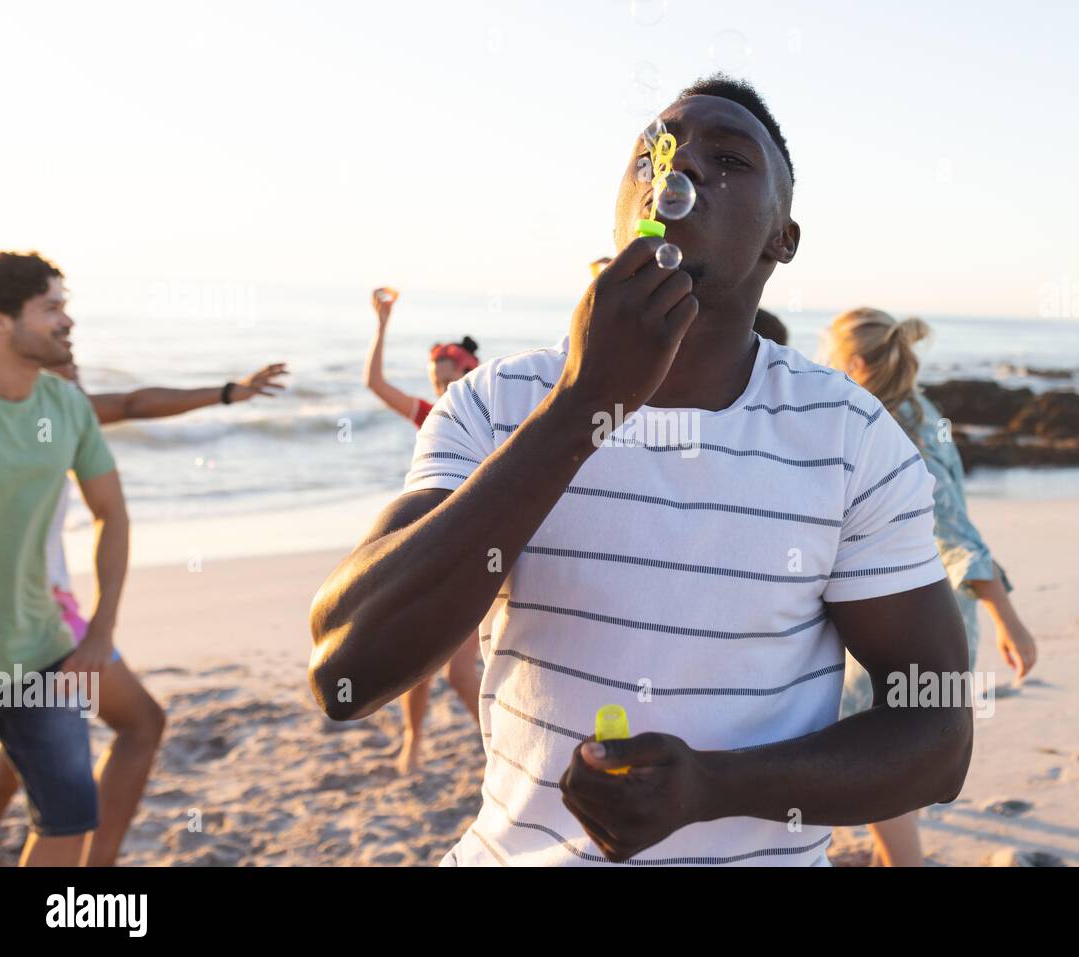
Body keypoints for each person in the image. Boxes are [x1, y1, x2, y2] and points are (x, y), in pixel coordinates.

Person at [308, 75, 972, 867]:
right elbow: (346, 672)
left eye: (728, 157)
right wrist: (582, 404)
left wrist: (712, 788)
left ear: (781, 238)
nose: (679, 167)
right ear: (625, 210)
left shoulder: (848, 438)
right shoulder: (495, 405)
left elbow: (937, 734)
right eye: (653, 152)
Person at [0, 357, 288, 866]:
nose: (70, 357)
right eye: (55, 328)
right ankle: (95, 864)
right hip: (47, 614)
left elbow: (135, 403)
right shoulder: (45, 407)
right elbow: (131, 408)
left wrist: (227, 392)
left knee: (36, 736)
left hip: (47, 607)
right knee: (137, 723)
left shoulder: (60, 408)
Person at [823, 306, 1039, 866]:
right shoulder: (921, 411)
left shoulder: (893, 436)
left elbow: (956, 533)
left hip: (911, 621)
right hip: (922, 614)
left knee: (880, 752)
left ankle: (903, 861)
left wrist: (1008, 619)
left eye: (828, 356)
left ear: (852, 362)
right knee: (892, 747)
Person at [0, 252, 127, 866]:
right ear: (1, 320)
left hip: (40, 653)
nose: (67, 320)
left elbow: (112, 514)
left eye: (64, 305)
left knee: (70, 814)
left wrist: (100, 630)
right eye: (51, 308)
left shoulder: (64, 406)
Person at [362, 286, 483, 772]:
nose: (437, 375)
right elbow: (374, 383)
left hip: (476, 552)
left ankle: (498, 742)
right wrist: (383, 323)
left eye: (446, 368)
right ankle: (412, 743)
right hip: (429, 544)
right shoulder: (429, 416)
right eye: (434, 369)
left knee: (459, 672)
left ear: (466, 371)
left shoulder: (487, 418)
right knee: (417, 657)